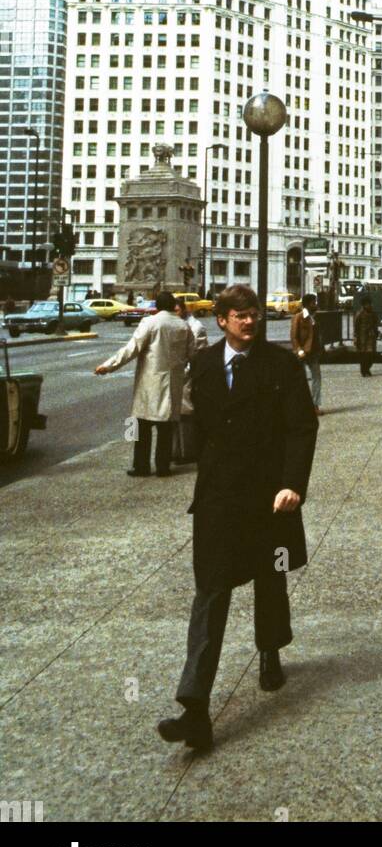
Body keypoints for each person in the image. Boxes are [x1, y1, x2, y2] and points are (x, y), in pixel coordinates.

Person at [157, 285, 318, 752]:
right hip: (219, 500)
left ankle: (270, 650)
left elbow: (302, 428)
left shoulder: (281, 365)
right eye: (239, 316)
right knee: (210, 590)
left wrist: (293, 484)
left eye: (254, 315)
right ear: (221, 320)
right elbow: (202, 426)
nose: (249, 322)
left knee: (271, 577)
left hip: (270, 496)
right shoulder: (204, 365)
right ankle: (194, 709)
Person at [95, 290, 195, 477]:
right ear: (173, 305)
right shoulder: (183, 326)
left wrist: (108, 366)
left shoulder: (149, 322)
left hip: (150, 382)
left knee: (141, 427)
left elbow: (131, 349)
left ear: (156, 306)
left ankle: (141, 466)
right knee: (166, 429)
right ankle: (163, 467)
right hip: (173, 383)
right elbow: (192, 355)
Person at [173, 296, 209, 463]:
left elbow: (197, 356)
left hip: (188, 376)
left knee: (186, 414)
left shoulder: (196, 327)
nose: (174, 313)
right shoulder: (177, 325)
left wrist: (184, 371)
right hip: (178, 375)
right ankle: (177, 451)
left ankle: (187, 452)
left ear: (183, 309)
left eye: (177, 309)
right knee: (175, 415)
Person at [291, 293, 323, 415]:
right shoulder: (298, 317)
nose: (315, 305)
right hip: (303, 353)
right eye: (314, 303)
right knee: (301, 380)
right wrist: (299, 350)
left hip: (314, 352)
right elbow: (294, 337)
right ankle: (303, 406)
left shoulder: (313, 317)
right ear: (308, 304)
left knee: (316, 378)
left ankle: (315, 405)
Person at [354, 297, 379, 377]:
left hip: (371, 336)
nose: (369, 305)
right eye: (367, 304)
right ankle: (364, 370)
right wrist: (356, 336)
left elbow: (376, 323)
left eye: (370, 304)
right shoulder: (360, 314)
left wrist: (377, 332)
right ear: (364, 305)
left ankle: (367, 368)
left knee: (372, 354)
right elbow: (356, 326)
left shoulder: (373, 313)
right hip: (363, 337)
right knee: (364, 354)